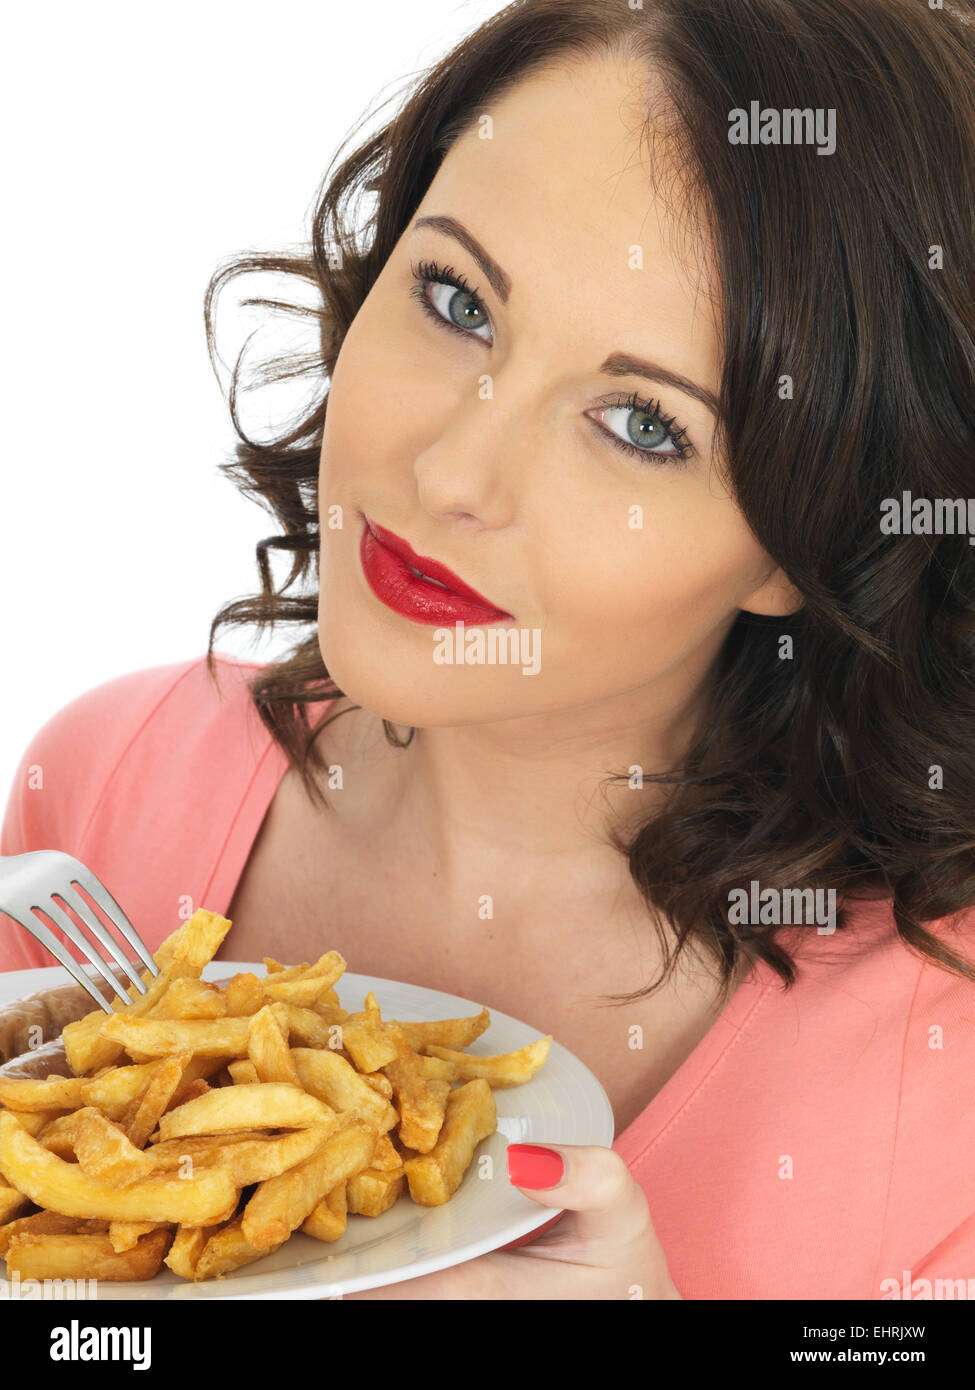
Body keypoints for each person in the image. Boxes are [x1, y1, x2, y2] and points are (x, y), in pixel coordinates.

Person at [3, 0, 975, 1299]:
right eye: (456, 298)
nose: (453, 470)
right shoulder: (104, 787)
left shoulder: (943, 1069)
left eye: (640, 422)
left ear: (806, 547)